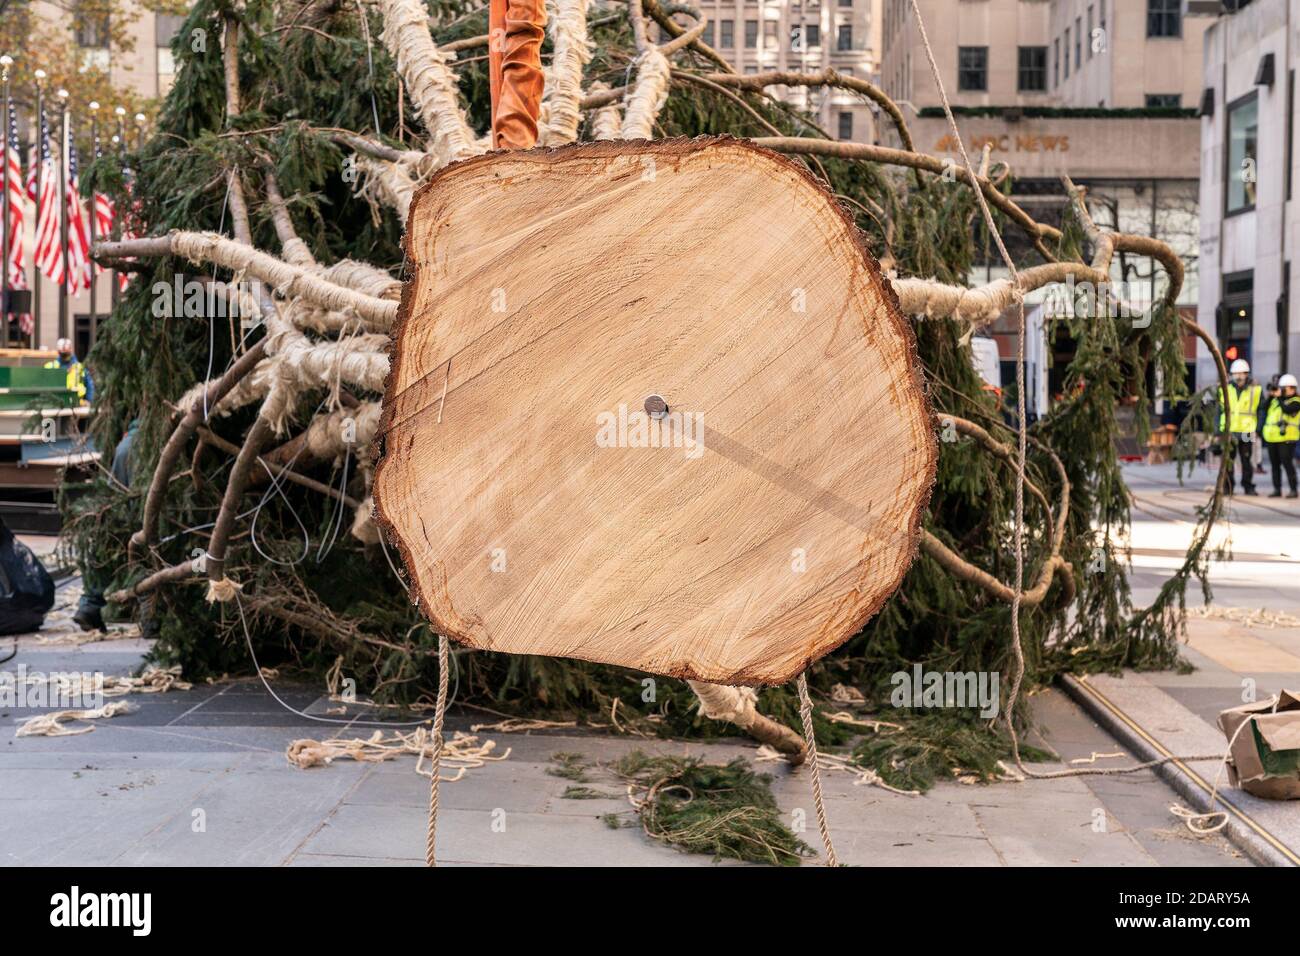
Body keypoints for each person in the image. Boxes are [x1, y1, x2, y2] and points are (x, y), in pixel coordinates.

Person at [1218, 359, 1262, 496]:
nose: (1238, 376)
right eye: (1235, 373)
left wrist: (1259, 428)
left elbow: (1261, 410)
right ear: (1231, 374)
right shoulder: (1224, 389)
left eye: (1241, 373)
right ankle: (1228, 487)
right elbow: (1218, 411)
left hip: (1246, 430)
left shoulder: (1256, 390)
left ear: (1247, 374)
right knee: (1228, 460)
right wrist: (1217, 430)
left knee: (1246, 460)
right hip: (1229, 430)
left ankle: (1248, 486)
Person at [1261, 373, 1300, 499]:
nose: (1281, 390)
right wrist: (1271, 396)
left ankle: (1293, 489)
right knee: (1275, 465)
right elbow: (1263, 407)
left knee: (1287, 464)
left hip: (1287, 438)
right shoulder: (1276, 400)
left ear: (1292, 388)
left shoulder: (1296, 401)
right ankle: (1277, 489)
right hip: (1272, 437)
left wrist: (1278, 398)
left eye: (1284, 388)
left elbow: (1287, 410)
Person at [44, 337, 93, 404]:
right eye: (62, 353)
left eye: (66, 352)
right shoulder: (50, 367)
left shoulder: (80, 368)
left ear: (71, 350)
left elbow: (89, 385)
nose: (64, 355)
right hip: (55, 404)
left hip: (77, 405)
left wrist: (89, 401)